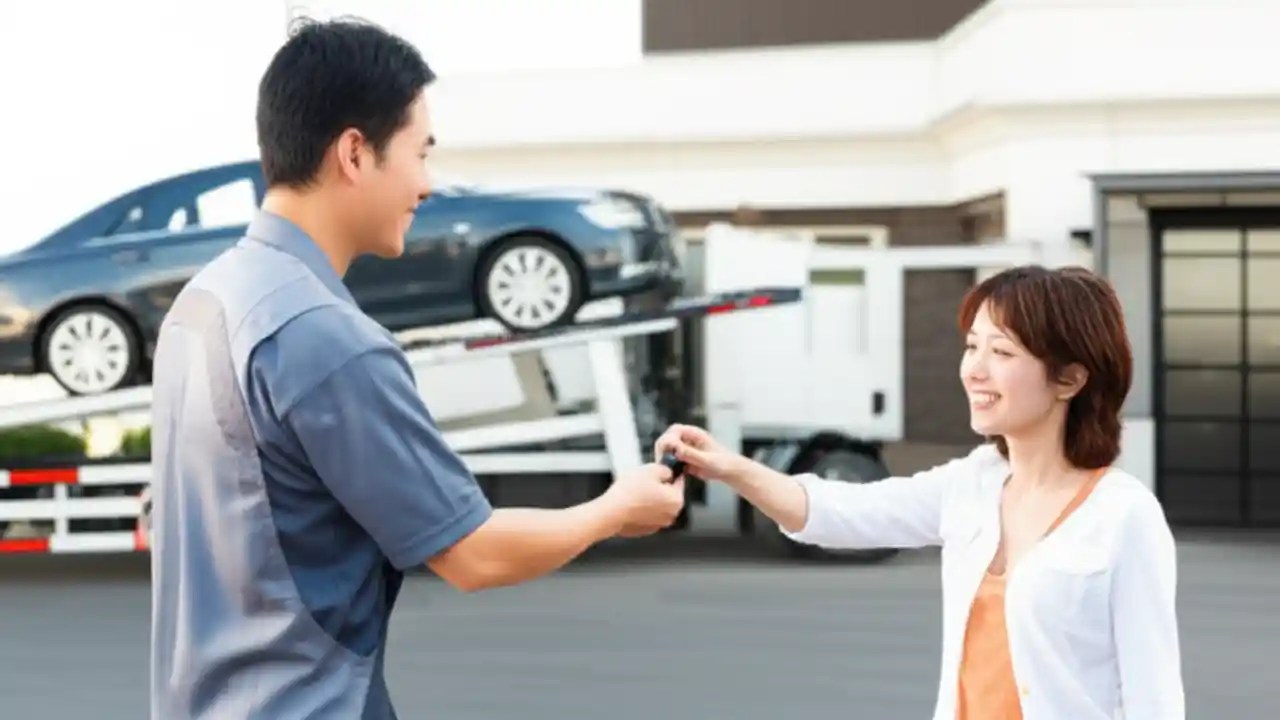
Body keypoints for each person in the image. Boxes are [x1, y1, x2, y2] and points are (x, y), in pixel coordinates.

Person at [147, 18, 684, 720]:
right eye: (420, 153)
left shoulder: (201, 304)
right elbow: (474, 555)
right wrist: (614, 511)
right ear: (354, 152)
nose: (427, 184)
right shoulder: (324, 336)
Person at [656, 265, 1184, 720]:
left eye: (1001, 351)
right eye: (972, 346)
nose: (974, 370)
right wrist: (729, 467)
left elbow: (1154, 698)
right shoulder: (972, 483)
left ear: (1068, 380)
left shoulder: (1123, 515)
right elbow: (841, 512)